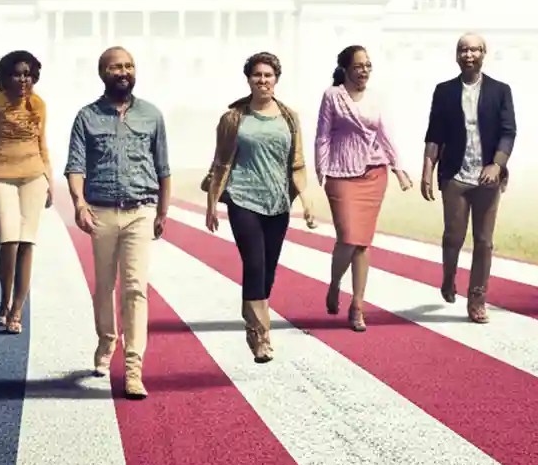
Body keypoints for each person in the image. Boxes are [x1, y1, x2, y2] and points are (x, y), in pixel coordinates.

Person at [64, 46, 170, 400]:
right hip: (102, 212)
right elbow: (76, 165)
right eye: (115, 67)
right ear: (103, 73)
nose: (123, 71)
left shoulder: (152, 115)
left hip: (141, 210)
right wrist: (79, 203)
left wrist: (162, 211)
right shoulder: (86, 117)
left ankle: (134, 367)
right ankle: (107, 341)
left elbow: (163, 167)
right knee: (105, 286)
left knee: (136, 288)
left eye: (128, 66)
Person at [202, 52, 316, 363]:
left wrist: (305, 201)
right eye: (257, 75)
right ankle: (259, 333)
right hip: (243, 199)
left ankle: (253, 313)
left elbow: (297, 163)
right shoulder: (233, 119)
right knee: (253, 264)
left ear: (276, 80)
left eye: (268, 75)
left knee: (267, 270)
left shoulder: (290, 118)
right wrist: (212, 204)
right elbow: (220, 162)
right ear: (249, 79)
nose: (262, 80)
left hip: (278, 202)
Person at [420, 33, 517, 323]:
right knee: (453, 236)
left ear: (484, 53)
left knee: (484, 241)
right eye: (463, 49)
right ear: (456, 55)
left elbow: (508, 131)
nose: (469, 54)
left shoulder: (500, 90)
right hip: (455, 175)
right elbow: (434, 134)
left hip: (487, 178)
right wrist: (427, 170)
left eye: (475, 49)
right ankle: (449, 278)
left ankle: (477, 299)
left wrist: (497, 165)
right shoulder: (444, 91)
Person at [314, 44, 412, 332]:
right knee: (348, 237)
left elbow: (386, 134)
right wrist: (321, 170)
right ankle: (335, 284)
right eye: (358, 66)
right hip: (340, 172)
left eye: (368, 66)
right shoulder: (332, 96)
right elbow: (322, 135)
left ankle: (357, 305)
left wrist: (398, 169)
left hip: (373, 173)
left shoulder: (377, 98)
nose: (364, 71)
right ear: (345, 69)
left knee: (363, 243)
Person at [0, 50, 53, 335]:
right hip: (2, 177)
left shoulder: (38, 104)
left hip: (35, 176)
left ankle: (17, 309)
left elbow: (43, 144)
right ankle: (4, 300)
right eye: (18, 73)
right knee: (9, 240)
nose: (23, 79)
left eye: (28, 74)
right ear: (5, 76)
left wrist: (50, 180)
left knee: (27, 241)